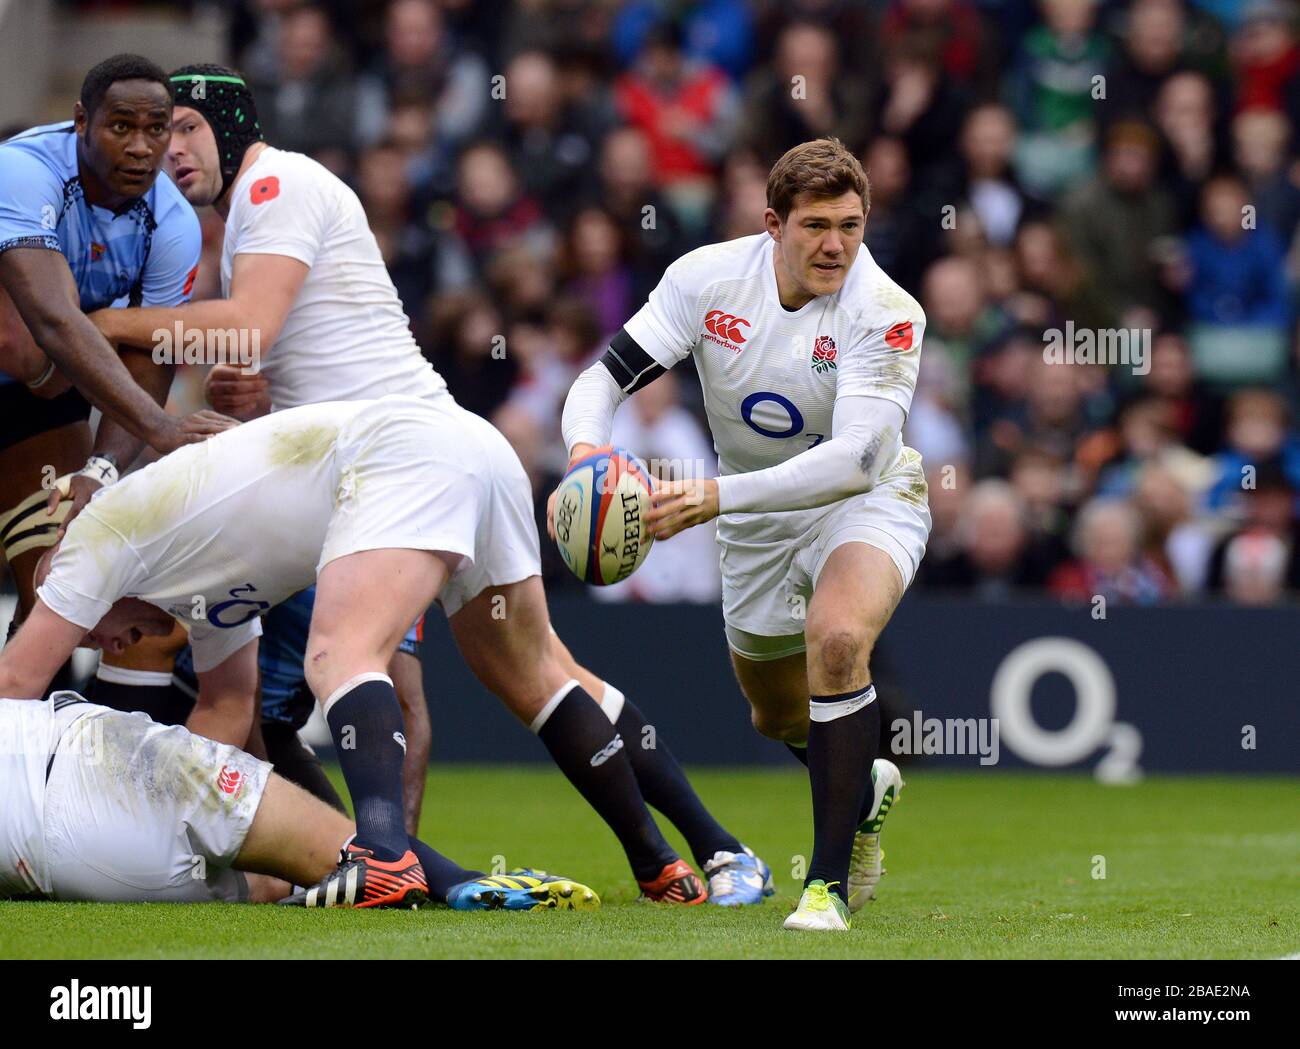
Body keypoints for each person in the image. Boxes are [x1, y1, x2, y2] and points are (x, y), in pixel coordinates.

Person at [89, 63, 771, 906]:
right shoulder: (254, 218)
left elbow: (247, 326)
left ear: (231, 127)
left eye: (186, 127)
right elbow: (285, 347)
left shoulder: (273, 182)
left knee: (331, 663)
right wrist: (253, 388)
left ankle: (381, 861)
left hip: (395, 462)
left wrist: (93, 326)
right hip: (448, 452)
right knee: (540, 675)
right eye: (159, 135)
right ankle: (686, 856)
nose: (169, 150)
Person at [0, 395, 621, 907]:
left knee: (327, 692)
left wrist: (183, 796)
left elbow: (16, 685)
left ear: (67, 584)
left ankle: (416, 869)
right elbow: (225, 712)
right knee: (275, 849)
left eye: (93, 631)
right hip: (427, 451)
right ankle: (440, 875)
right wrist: (186, 795)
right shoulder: (182, 573)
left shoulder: (98, 543)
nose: (116, 645)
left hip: (58, 832)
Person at [555, 138, 921, 931]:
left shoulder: (887, 312)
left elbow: (855, 461)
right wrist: (589, 454)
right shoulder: (705, 280)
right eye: (817, 225)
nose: (835, 245)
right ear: (771, 224)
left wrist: (712, 495)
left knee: (836, 640)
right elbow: (601, 378)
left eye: (852, 226)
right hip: (755, 518)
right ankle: (862, 792)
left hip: (865, 500)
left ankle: (824, 886)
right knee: (778, 717)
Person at [0, 54, 232, 631]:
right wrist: (163, 429)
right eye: (120, 126)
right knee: (28, 338)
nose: (140, 147)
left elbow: (153, 354)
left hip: (38, 401)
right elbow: (48, 321)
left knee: (66, 606)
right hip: (29, 359)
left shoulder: (173, 223)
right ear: (82, 121)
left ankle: (29, 716)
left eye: (157, 129)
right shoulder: (24, 169)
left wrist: (102, 470)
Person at [0, 692, 597, 911]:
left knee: (265, 886)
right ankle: (460, 882)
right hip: (88, 754)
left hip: (59, 868)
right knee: (341, 853)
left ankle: (314, 894)